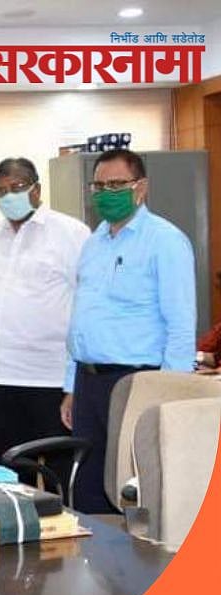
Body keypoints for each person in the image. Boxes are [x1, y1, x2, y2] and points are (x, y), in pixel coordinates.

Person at [64, 149, 195, 513]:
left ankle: (140, 569)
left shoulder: (165, 240)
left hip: (137, 381)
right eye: (100, 185)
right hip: (88, 382)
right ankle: (94, 568)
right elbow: (80, 318)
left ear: (141, 188)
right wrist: (69, 388)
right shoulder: (93, 244)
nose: (107, 192)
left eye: (117, 184)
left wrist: (170, 392)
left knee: (132, 488)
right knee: (88, 488)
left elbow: (181, 323)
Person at [0, 157, 89, 481]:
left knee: (58, 476)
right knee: (7, 473)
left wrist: (74, 382)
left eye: (17, 187)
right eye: (1, 191)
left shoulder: (71, 233)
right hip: (0, 380)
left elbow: (86, 306)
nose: (9, 196)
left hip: (49, 378)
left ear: (37, 188)